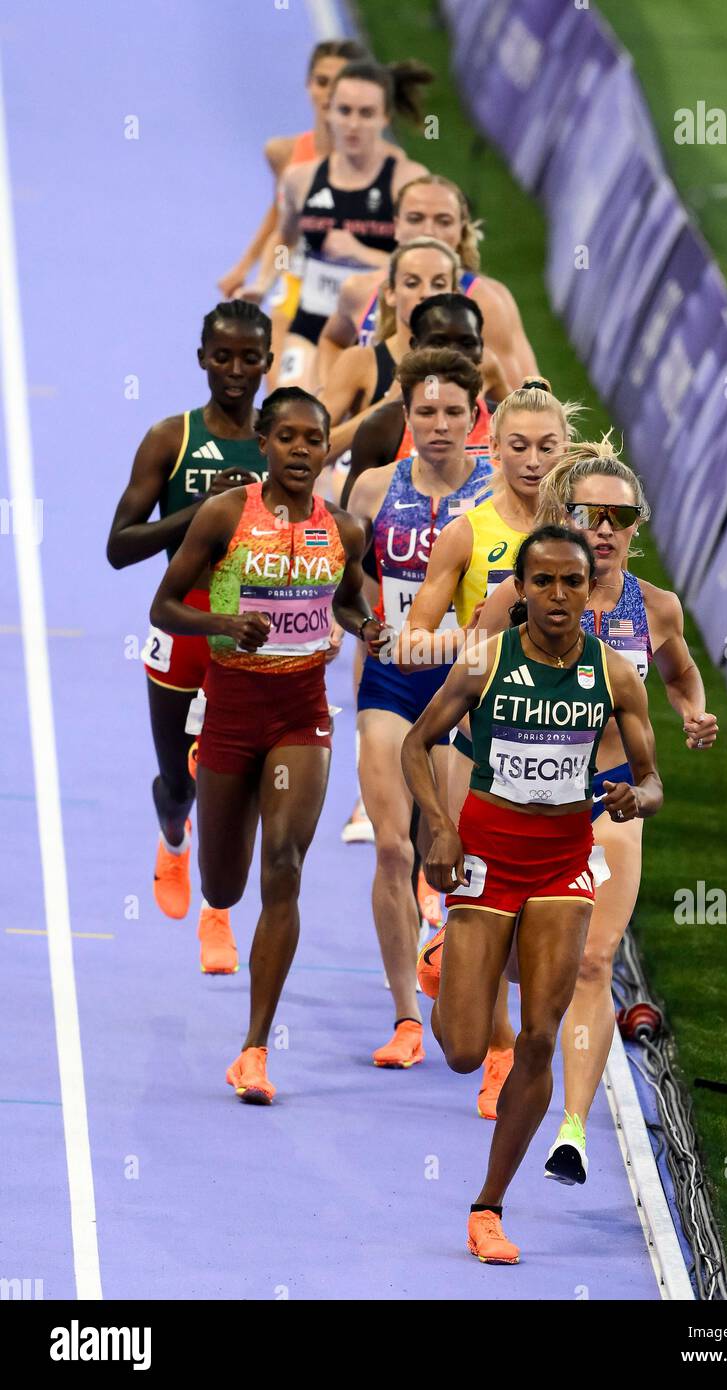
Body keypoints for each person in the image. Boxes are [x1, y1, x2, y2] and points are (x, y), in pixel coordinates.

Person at [401, 525, 663, 1262]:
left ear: (587, 591)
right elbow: (414, 745)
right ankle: (445, 957)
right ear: (520, 589)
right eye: (541, 581)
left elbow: (653, 780)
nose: (556, 595)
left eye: (570, 583)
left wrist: (634, 800)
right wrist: (440, 829)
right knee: (457, 1051)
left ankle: (488, 1206)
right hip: (485, 859)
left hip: (561, 865)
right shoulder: (485, 664)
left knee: (540, 1034)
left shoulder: (613, 676)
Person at [469, 440, 718, 1185]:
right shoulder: (516, 599)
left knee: (594, 962)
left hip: (611, 799)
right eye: (591, 514)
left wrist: (694, 713)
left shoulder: (657, 609)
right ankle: (466, 963)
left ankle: (571, 1129)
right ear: (564, 515)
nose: (606, 528)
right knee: (516, 966)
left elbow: (680, 675)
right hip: (521, 801)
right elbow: (467, 693)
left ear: (636, 528)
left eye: (621, 517)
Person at [149, 388, 386, 1104]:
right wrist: (223, 623)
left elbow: (344, 601)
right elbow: (163, 605)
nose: (302, 451)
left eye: (314, 440)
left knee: (283, 865)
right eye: (287, 437)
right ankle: (205, 802)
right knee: (224, 884)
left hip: (300, 713)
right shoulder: (227, 514)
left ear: (325, 451)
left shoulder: (345, 528)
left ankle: (253, 1050)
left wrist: (363, 622)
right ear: (263, 442)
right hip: (231, 709)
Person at [402, 380, 579, 1117]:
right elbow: (409, 641)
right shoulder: (468, 532)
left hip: (567, 755)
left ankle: (517, 1041)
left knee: (548, 936)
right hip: (477, 741)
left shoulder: (587, 537)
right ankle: (488, 1038)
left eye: (547, 448)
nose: (533, 461)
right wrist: (478, 638)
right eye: (518, 446)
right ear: (493, 446)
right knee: (487, 920)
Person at [107, 301, 273, 973]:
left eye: (250, 358)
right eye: (223, 357)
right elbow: (119, 547)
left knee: (227, 782)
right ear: (202, 358)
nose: (236, 371)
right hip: (181, 619)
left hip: (250, 625)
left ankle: (218, 915)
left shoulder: (281, 442)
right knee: (180, 781)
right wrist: (201, 518)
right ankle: (173, 839)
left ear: (267, 362)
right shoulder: (168, 439)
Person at [347, 348, 493, 1067]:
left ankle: (459, 986)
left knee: (456, 850)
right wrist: (366, 632)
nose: (439, 425)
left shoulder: (501, 501)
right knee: (391, 845)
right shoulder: (373, 488)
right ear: (405, 416)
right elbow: (349, 586)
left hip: (467, 686)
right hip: (392, 683)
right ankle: (406, 1014)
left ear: (476, 416)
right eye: (425, 412)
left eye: (453, 413)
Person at [250, 59, 432, 392]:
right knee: (288, 416)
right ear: (328, 111)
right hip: (311, 323)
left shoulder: (407, 182)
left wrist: (361, 253)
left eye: (366, 114)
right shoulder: (301, 180)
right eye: (344, 111)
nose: (353, 124)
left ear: (384, 118)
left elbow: (430, 271)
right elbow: (284, 238)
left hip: (378, 333)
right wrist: (262, 283)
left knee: (355, 437)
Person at [316, 174, 538, 390]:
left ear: (461, 229)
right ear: (396, 225)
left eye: (443, 221)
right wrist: (328, 390)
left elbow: (527, 395)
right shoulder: (360, 289)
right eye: (416, 218)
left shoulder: (488, 303)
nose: (429, 231)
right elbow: (331, 341)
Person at [217, 38, 371, 303]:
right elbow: (282, 217)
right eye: (322, 83)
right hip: (304, 290)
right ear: (308, 84)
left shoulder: (382, 167)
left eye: (340, 85)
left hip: (362, 294)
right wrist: (250, 272)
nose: (329, 95)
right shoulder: (283, 154)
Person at [340, 293, 509, 504]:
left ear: (481, 348)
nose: (454, 354)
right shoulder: (382, 427)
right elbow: (351, 523)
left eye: (467, 343)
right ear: (414, 346)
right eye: (438, 342)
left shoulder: (506, 425)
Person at [320, 237, 461, 464]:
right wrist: (386, 406)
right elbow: (311, 451)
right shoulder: (361, 363)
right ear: (391, 293)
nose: (426, 294)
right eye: (412, 283)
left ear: (455, 294)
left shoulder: (481, 366)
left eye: (438, 284)